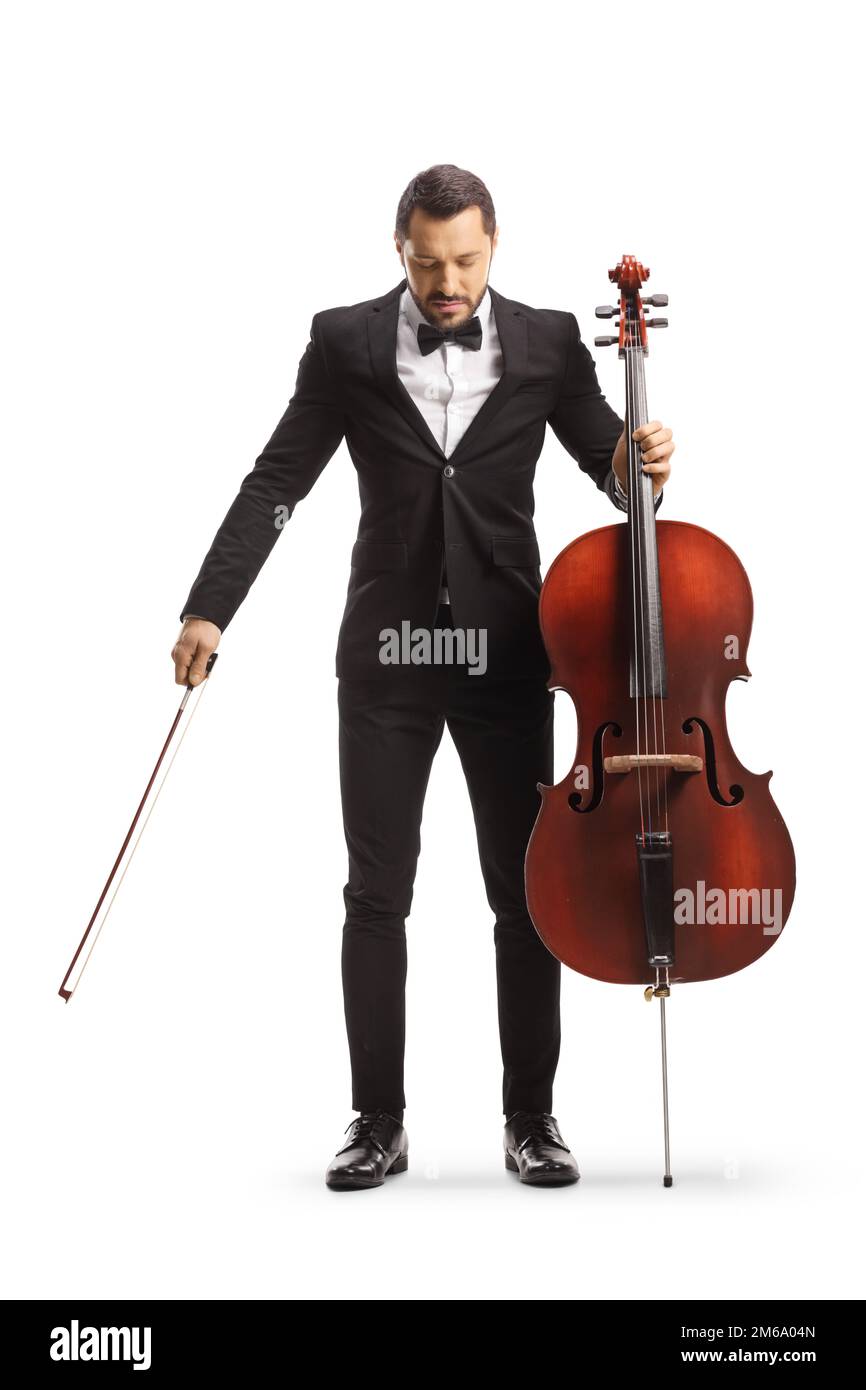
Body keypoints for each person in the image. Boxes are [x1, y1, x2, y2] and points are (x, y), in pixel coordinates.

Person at [172, 164, 675, 1190]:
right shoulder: (345, 342)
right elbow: (278, 480)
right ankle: (377, 1120)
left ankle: (531, 1119)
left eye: (464, 261)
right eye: (426, 263)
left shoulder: (543, 343)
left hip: (505, 654)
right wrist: (208, 604)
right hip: (388, 659)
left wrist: (642, 457)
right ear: (397, 250)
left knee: (524, 894)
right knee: (374, 894)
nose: (446, 283)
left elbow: (610, 473)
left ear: (494, 246)